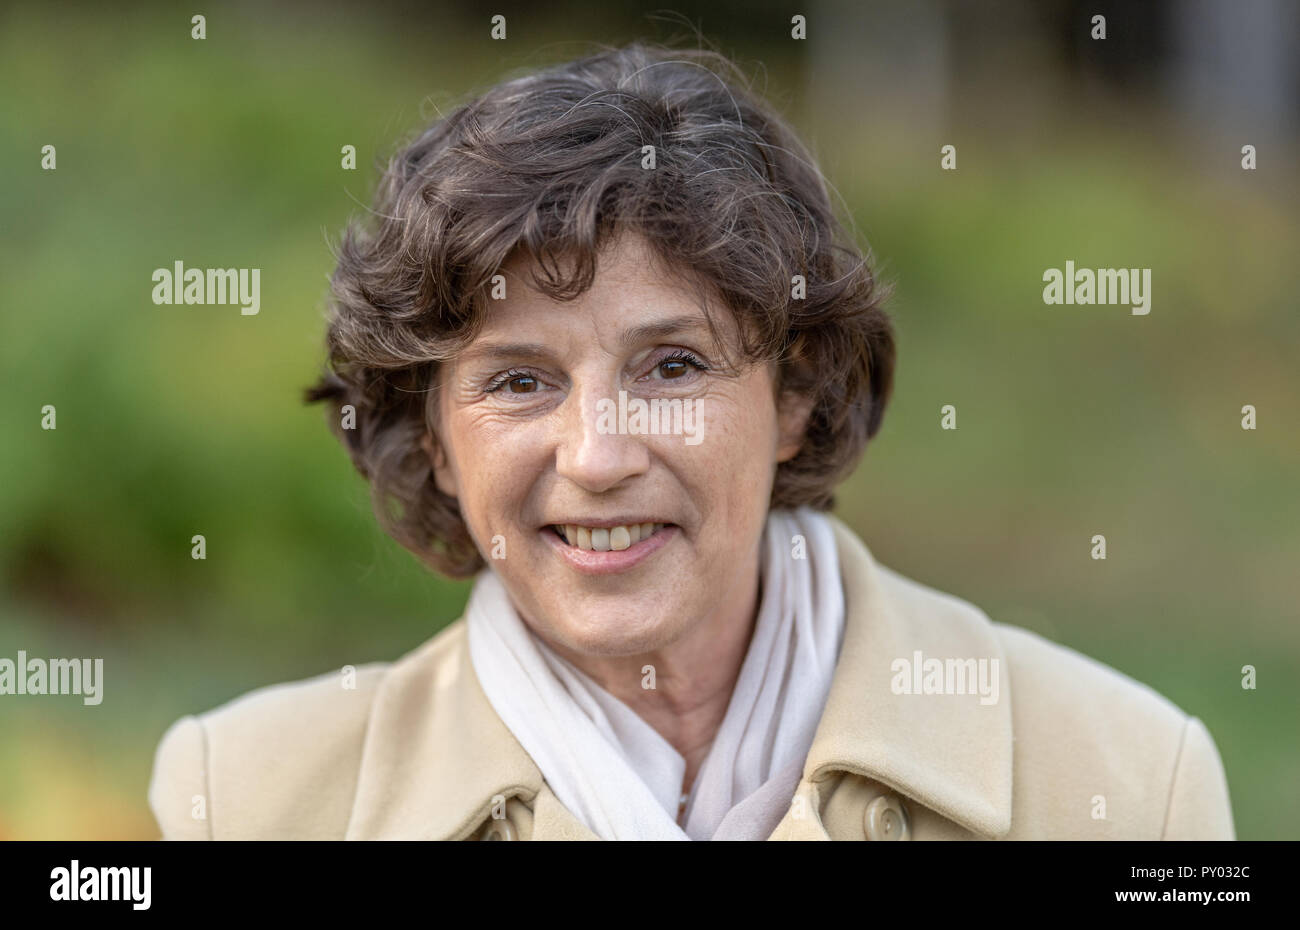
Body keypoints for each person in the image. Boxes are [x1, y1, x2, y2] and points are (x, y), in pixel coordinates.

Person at [148, 42, 1233, 841]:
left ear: (798, 391)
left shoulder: (1127, 781)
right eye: (519, 381)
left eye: (672, 366)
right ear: (433, 437)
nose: (598, 455)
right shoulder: (238, 798)